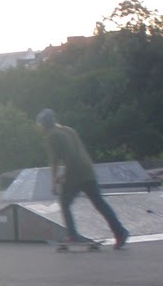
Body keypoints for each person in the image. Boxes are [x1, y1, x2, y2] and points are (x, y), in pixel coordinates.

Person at [37, 107, 129, 250]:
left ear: (44, 124)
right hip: (87, 169)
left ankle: (72, 235)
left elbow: (54, 161)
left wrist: (54, 180)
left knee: (64, 202)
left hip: (75, 171)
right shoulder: (69, 130)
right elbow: (77, 153)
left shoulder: (51, 136)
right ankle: (120, 231)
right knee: (99, 203)